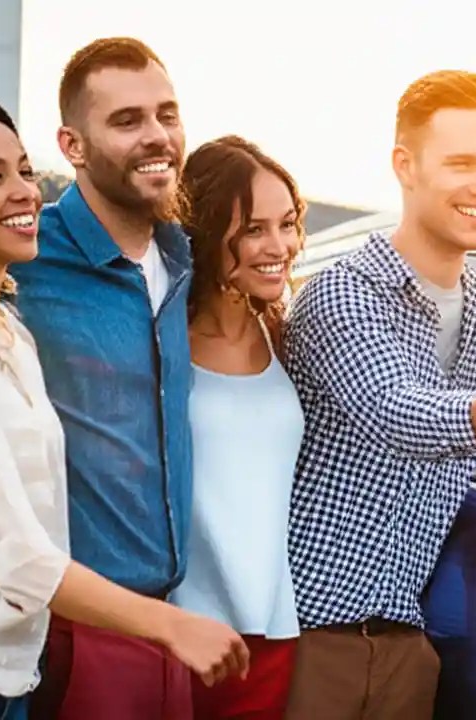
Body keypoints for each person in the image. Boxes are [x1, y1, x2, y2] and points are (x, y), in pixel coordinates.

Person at [0, 99, 247, 720]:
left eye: (24, 171)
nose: (23, 192)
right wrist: (171, 627)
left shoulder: (9, 331)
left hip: (1, 674)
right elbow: (21, 560)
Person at [281, 69, 476, 720]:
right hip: (311, 638)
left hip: (408, 645)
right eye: (461, 163)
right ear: (406, 166)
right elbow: (401, 413)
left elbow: (463, 463)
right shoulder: (343, 294)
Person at [170, 135, 306, 719]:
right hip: (175, 630)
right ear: (206, 233)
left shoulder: (288, 338)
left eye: (288, 224)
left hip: (271, 633)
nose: (279, 246)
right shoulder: (157, 339)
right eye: (254, 229)